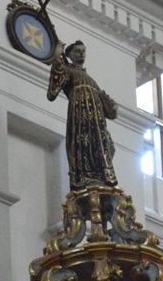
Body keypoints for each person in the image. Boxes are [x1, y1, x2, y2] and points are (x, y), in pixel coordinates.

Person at [47, 39, 119, 191]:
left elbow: (108, 109)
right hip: (80, 113)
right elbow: (53, 91)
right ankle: (84, 173)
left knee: (103, 142)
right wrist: (58, 56)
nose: (81, 53)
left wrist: (112, 107)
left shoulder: (90, 80)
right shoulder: (68, 71)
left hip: (96, 118)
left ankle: (100, 174)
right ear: (70, 54)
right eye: (77, 51)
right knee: (82, 142)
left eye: (83, 50)